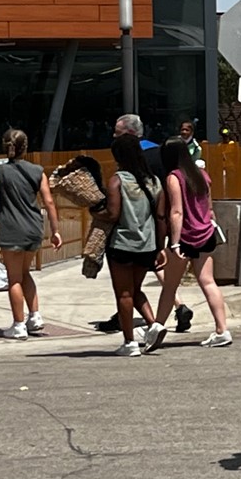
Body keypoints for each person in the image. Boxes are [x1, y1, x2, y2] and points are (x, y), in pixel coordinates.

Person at [99, 115, 193, 334]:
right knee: (153, 267)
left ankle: (130, 322)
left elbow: (116, 207)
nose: (114, 136)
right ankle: (175, 307)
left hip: (138, 223)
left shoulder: (132, 159)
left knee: (127, 287)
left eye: (118, 132)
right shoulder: (159, 152)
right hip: (165, 214)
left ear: (130, 134)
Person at [0, 129, 63, 340]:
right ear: (25, 147)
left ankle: (18, 325)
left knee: (14, 278)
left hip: (12, 229)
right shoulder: (38, 171)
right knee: (25, 272)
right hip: (33, 228)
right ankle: (35, 315)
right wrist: (55, 231)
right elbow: (49, 201)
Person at [154, 137, 231, 347]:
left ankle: (157, 327)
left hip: (185, 237)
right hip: (206, 234)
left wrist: (174, 243)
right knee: (208, 281)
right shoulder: (202, 175)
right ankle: (222, 329)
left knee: (170, 286)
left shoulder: (174, 178)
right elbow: (210, 208)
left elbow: (176, 212)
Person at [102, 133, 168, 357]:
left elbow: (113, 214)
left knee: (124, 294)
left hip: (122, 243)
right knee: (135, 289)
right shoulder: (154, 182)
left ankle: (129, 342)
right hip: (147, 245)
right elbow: (161, 217)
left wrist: (97, 213)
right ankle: (154, 324)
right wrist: (160, 247)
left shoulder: (117, 181)